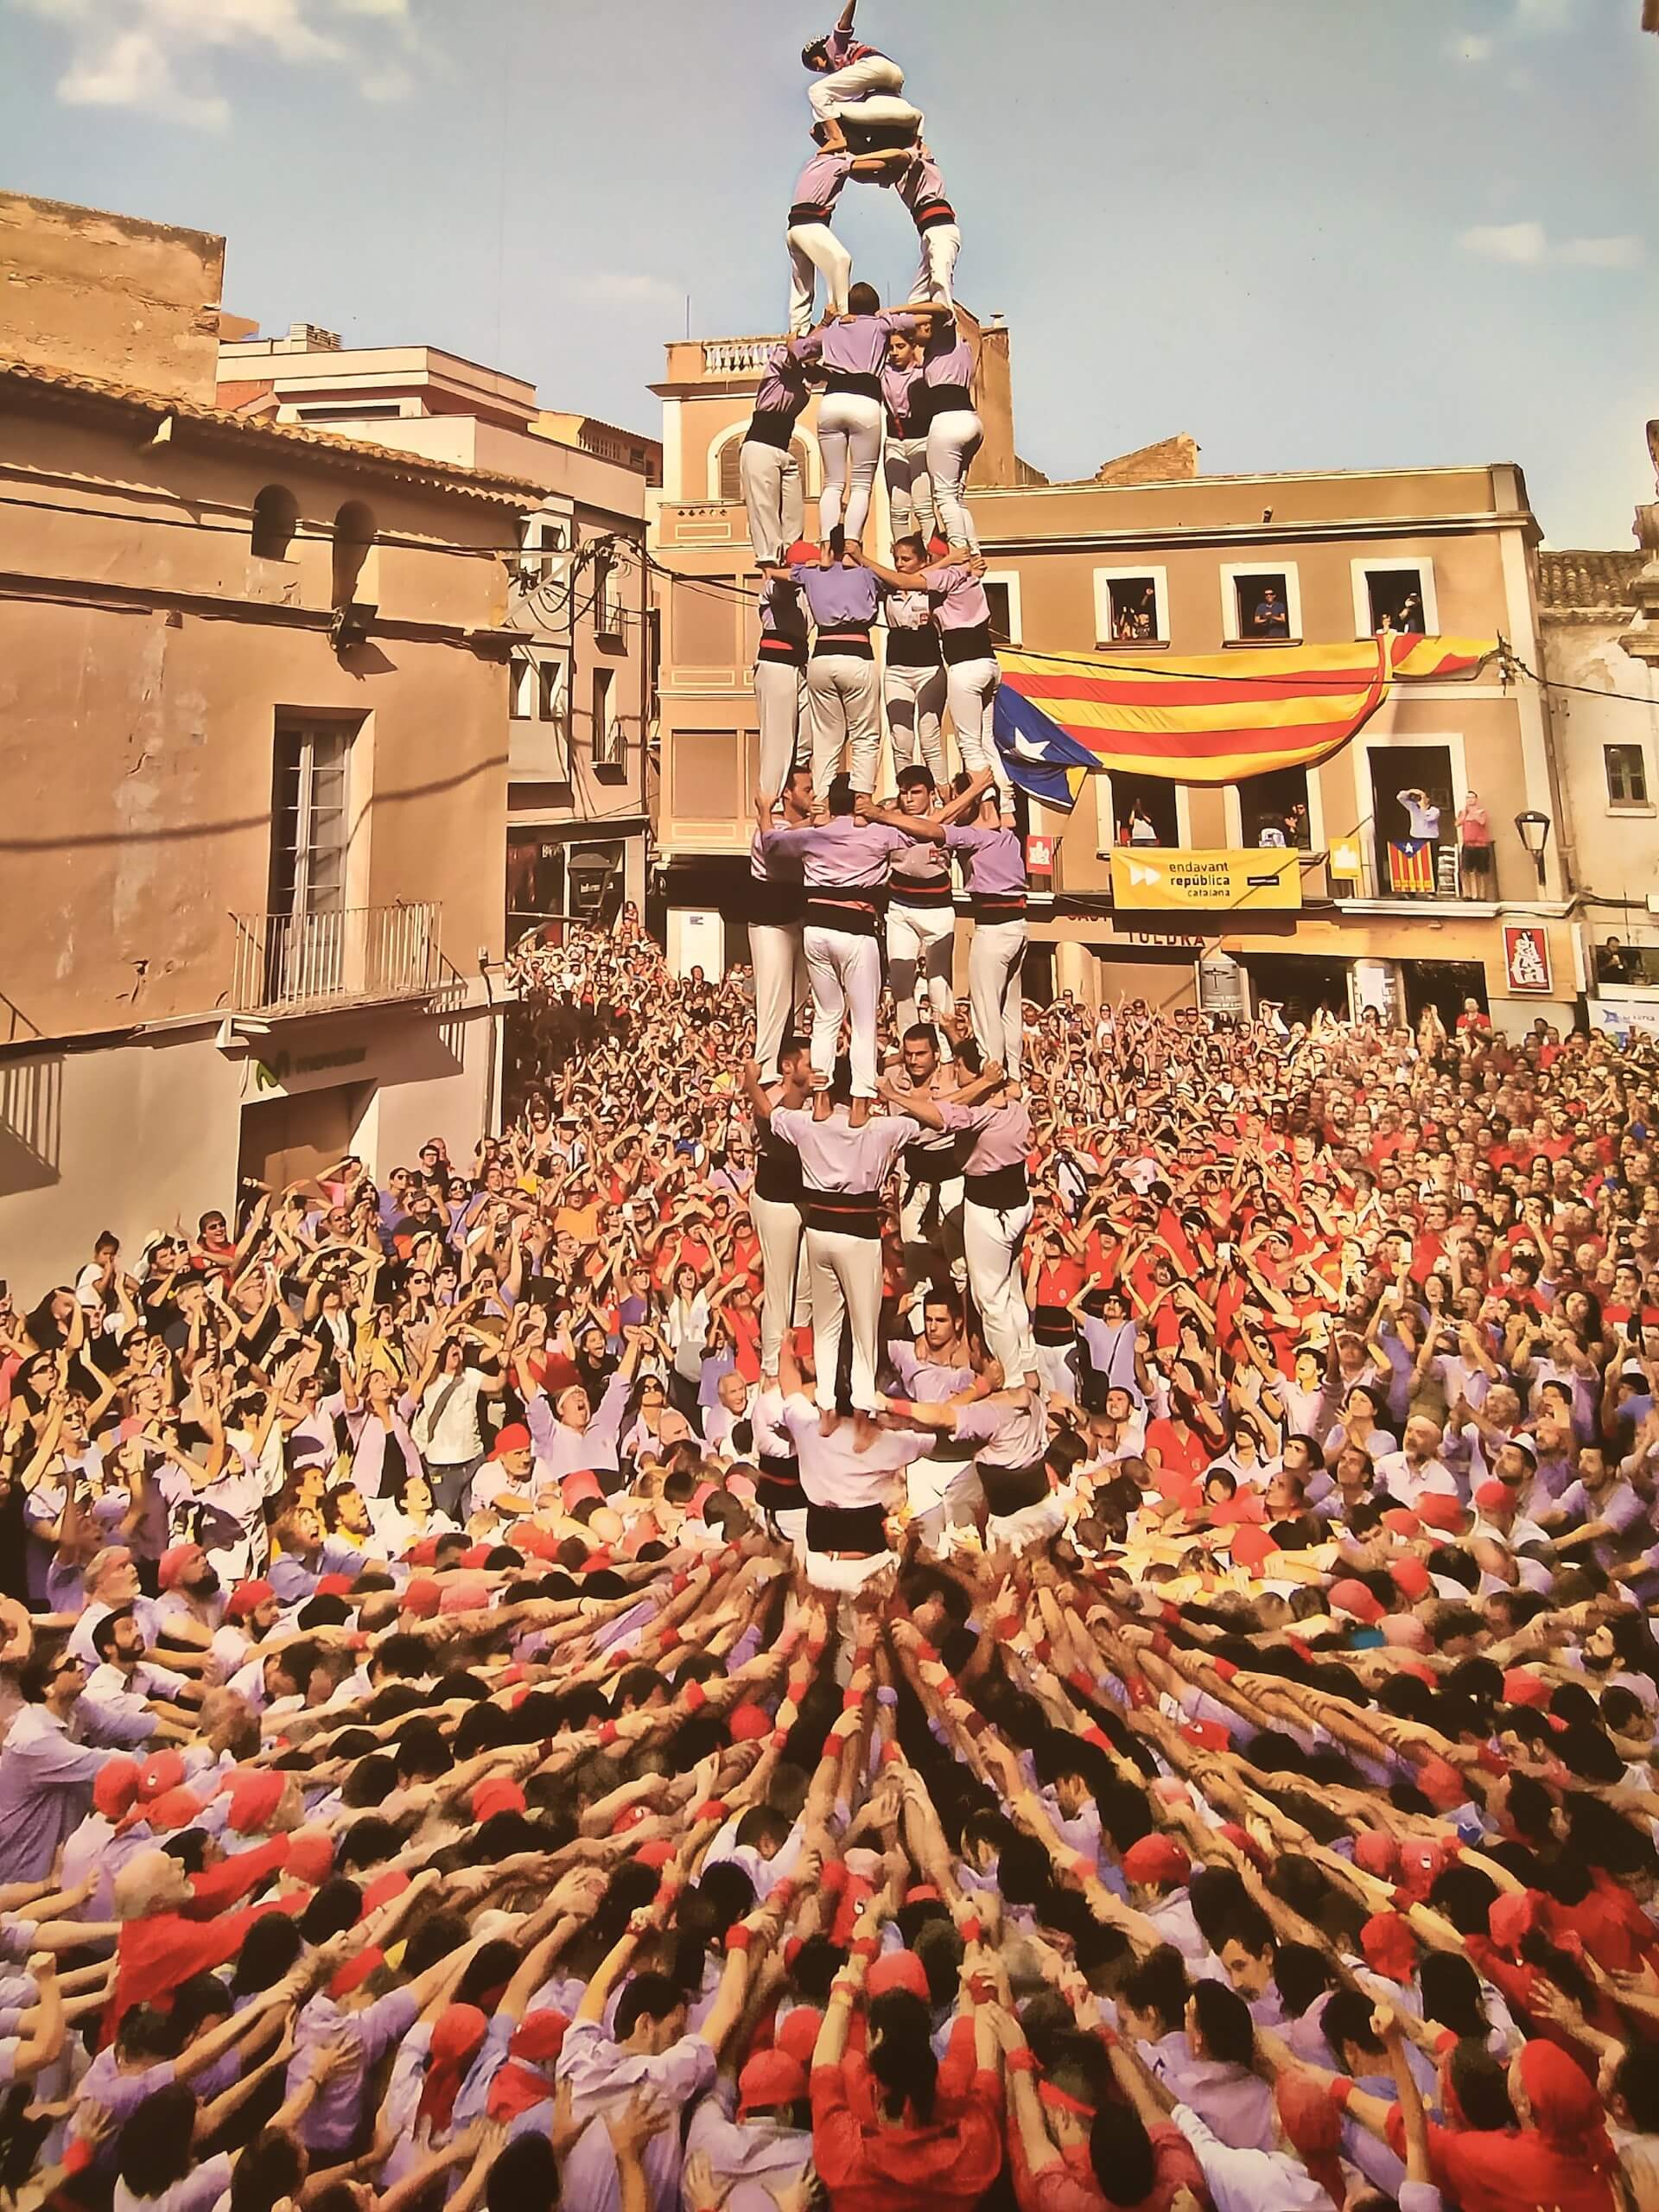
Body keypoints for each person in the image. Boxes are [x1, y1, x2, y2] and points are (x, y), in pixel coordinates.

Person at [1457, 788, 1493, 897]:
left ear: (1476, 799)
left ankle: (1481, 895)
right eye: (1467, 798)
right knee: (1466, 871)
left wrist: (1474, 813)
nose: (1469, 800)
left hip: (1480, 846)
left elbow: (1482, 821)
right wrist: (1464, 814)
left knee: (1481, 872)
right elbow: (1457, 823)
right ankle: (1468, 894)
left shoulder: (1481, 812)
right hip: (1468, 845)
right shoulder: (1463, 812)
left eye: (1472, 798)